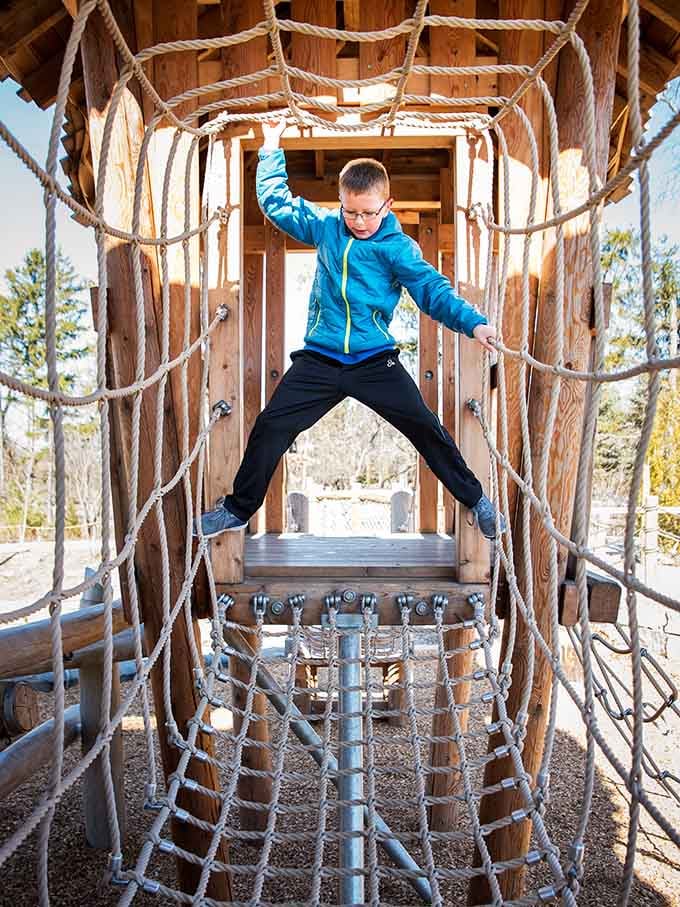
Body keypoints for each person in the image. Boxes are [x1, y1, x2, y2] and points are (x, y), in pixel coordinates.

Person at [195, 119, 505, 541]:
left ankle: (477, 501)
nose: (359, 221)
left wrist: (474, 323)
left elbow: (433, 292)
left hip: (374, 360)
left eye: (368, 212)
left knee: (425, 427)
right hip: (320, 359)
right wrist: (271, 143)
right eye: (351, 211)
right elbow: (276, 202)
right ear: (341, 202)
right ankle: (236, 510)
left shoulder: (397, 249)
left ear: (387, 204)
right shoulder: (326, 229)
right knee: (270, 426)